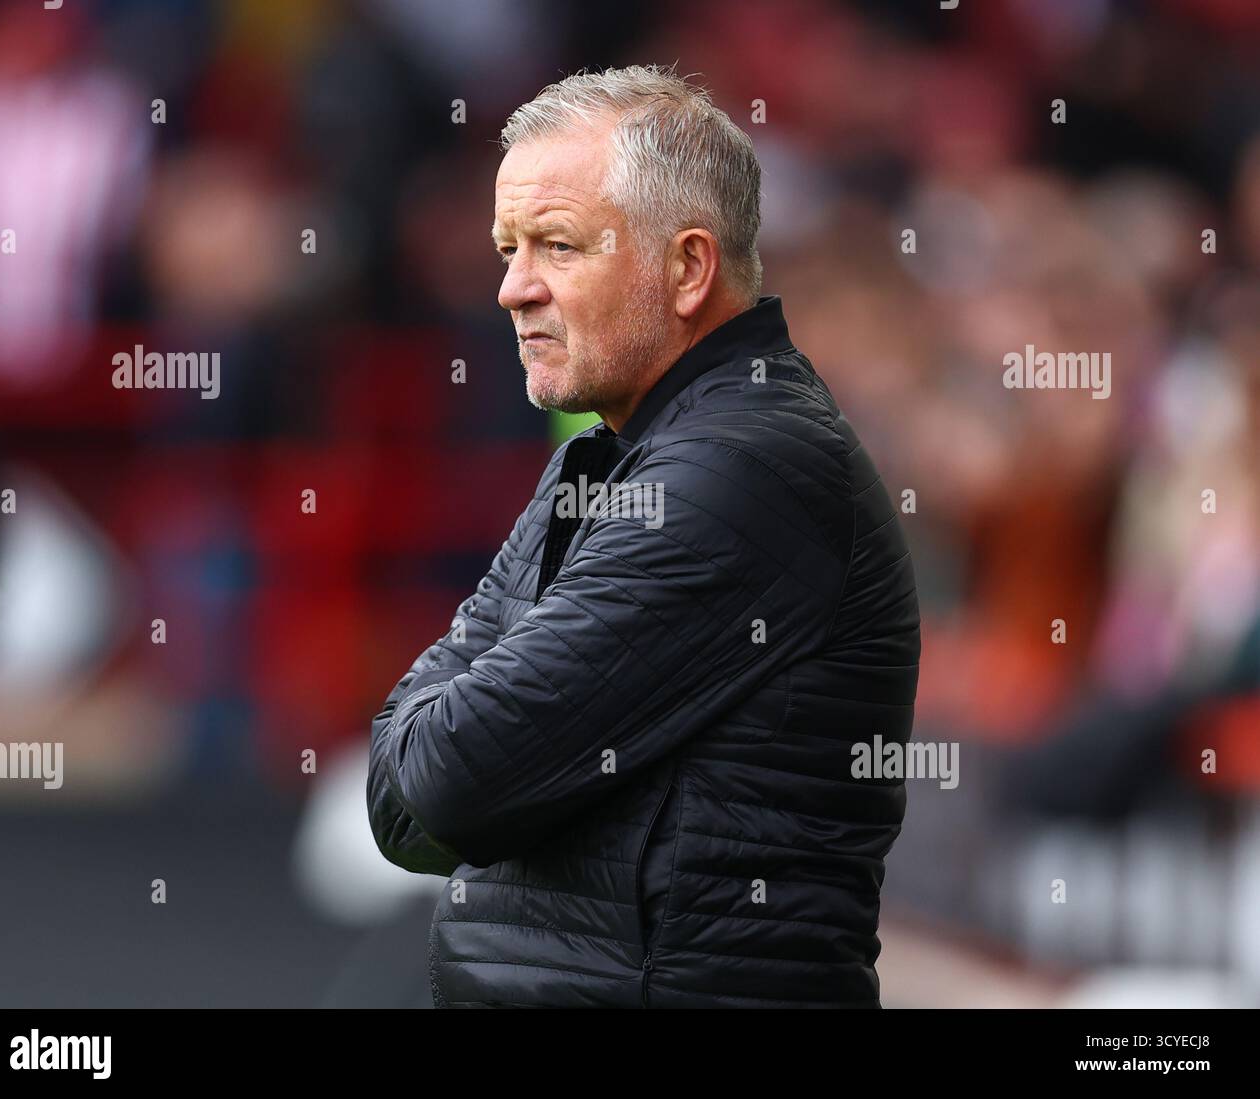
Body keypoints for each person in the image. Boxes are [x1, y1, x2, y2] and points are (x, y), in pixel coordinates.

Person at [367, 64, 920, 1008]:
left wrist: (455, 748)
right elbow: (399, 801)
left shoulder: (741, 472)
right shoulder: (617, 453)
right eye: (508, 248)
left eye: (557, 246)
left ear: (688, 268)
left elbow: (442, 780)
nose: (511, 289)